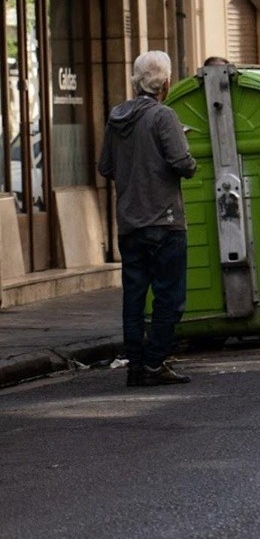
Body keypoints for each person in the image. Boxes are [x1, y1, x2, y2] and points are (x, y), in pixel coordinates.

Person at [99, 51, 198, 387]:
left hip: (129, 223)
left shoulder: (116, 119)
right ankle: (155, 364)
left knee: (134, 297)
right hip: (165, 221)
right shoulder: (163, 116)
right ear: (166, 83)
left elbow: (105, 167)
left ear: (136, 80)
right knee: (170, 297)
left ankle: (135, 366)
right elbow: (182, 163)